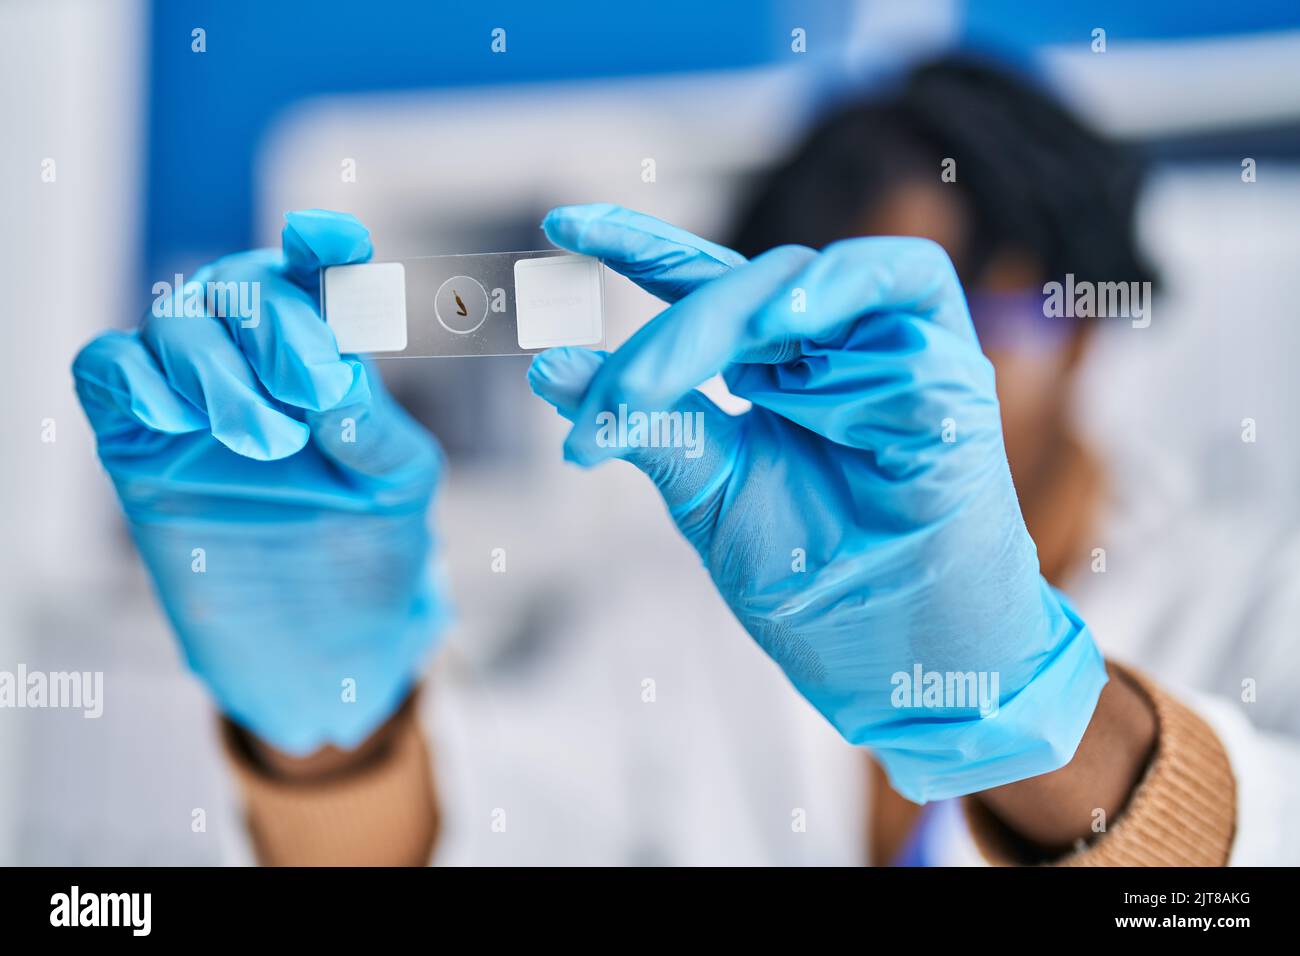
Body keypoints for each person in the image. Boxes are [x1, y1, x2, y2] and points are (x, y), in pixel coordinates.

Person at [71, 58, 1296, 866]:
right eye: (862, 328)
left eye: (997, 314)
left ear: (1084, 325)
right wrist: (330, 728)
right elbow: (463, 834)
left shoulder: (1256, 598)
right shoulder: (679, 626)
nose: (958, 371)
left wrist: (1037, 714)